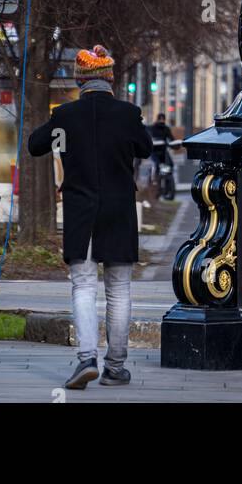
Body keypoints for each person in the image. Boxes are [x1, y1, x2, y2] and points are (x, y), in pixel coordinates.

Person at [28, 44, 153, 391]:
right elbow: (145, 147)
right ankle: (115, 366)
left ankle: (87, 358)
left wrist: (59, 127)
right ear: (110, 80)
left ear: (80, 81)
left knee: (83, 286)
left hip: (81, 213)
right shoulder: (128, 114)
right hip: (119, 212)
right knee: (119, 289)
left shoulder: (65, 117)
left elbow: (35, 145)